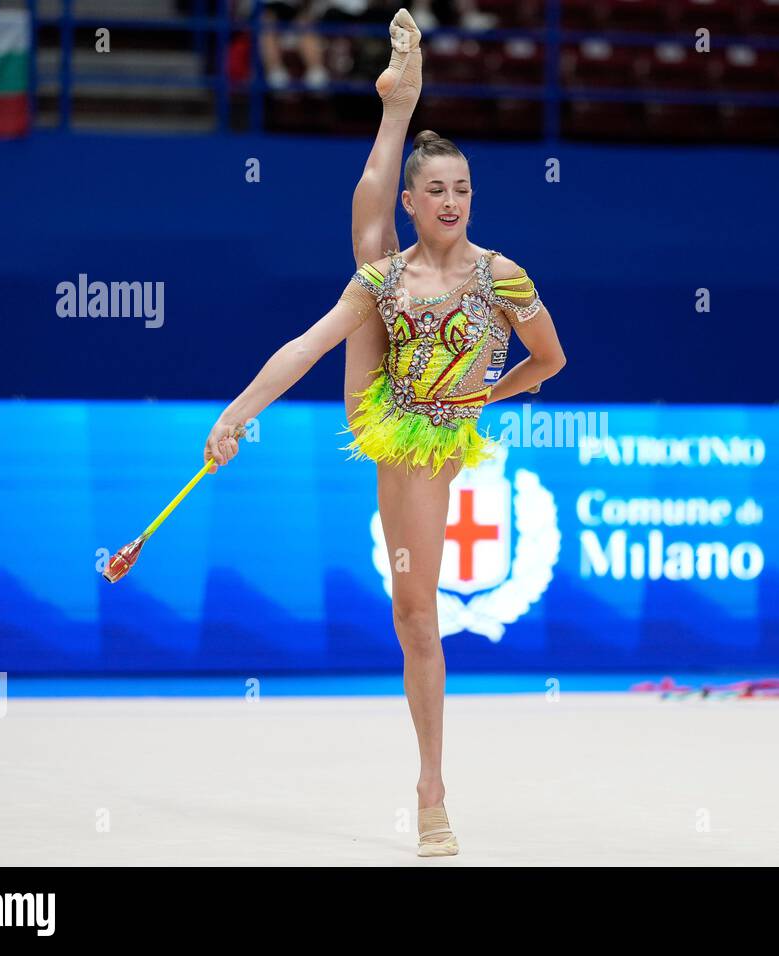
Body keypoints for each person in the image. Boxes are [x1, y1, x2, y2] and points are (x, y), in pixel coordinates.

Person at [201, 8, 565, 857]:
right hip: (386, 401)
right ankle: (399, 104)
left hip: (433, 432)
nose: (450, 200)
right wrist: (235, 416)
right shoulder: (389, 274)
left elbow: (550, 360)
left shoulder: (502, 276)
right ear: (415, 200)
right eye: (435, 190)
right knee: (368, 256)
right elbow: (304, 346)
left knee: (415, 615)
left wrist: (487, 399)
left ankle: (430, 786)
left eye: (462, 188)